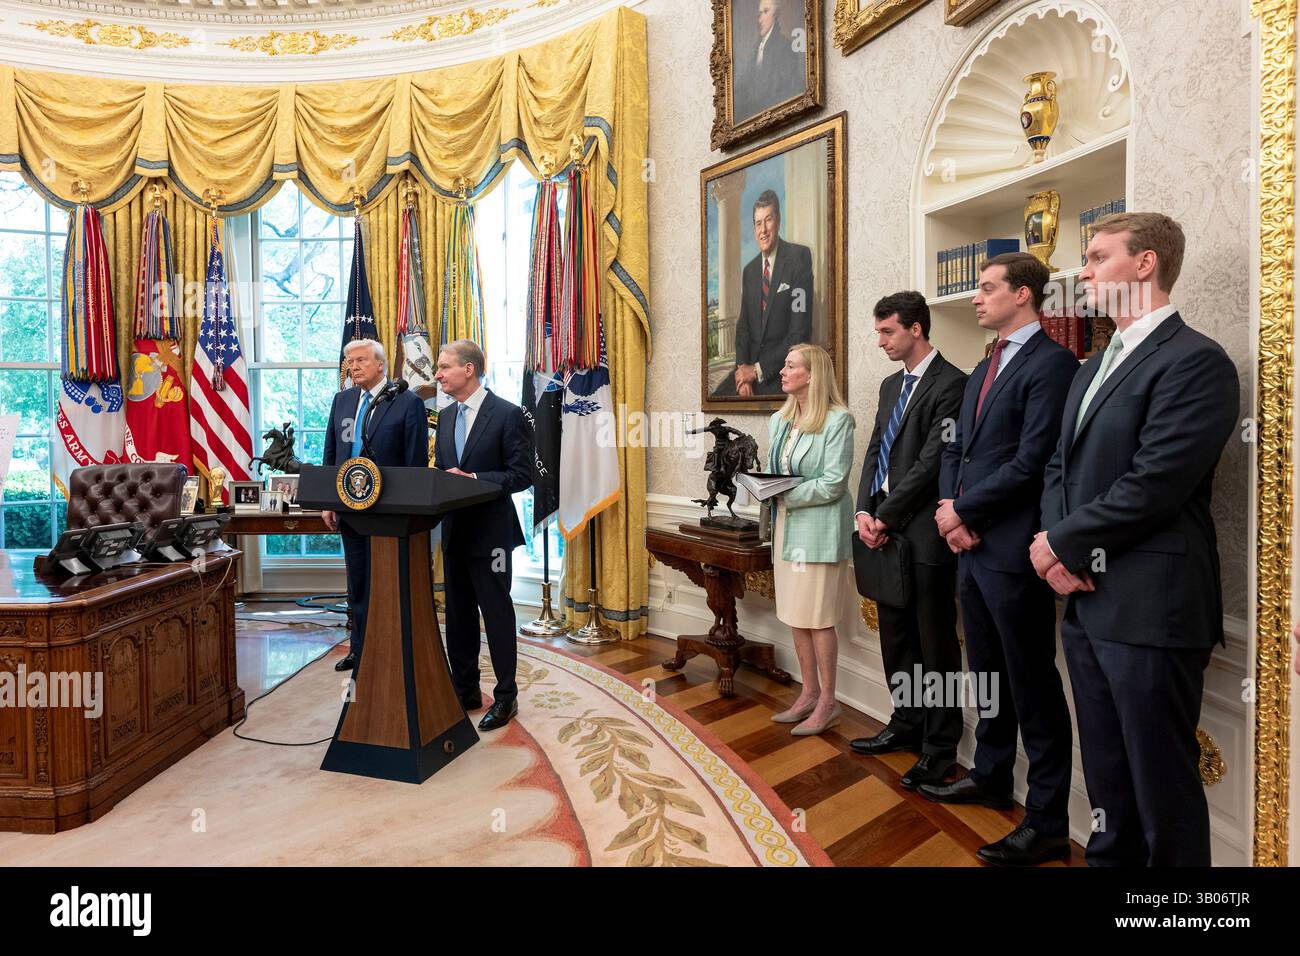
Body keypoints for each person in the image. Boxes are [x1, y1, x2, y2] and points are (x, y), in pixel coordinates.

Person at [1034, 213, 1239, 866]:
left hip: (1153, 608)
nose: (1083, 271)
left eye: (1098, 257)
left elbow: (1155, 484)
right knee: (1107, 780)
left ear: (1145, 263)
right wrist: (1056, 549)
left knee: (1162, 791)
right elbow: (1058, 466)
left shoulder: (1195, 361)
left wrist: (1058, 543)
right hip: (1085, 602)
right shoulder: (1091, 365)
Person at [921, 252, 1079, 867]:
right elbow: (954, 448)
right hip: (969, 547)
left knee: (1032, 684)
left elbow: (1033, 461)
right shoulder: (986, 363)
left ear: (1023, 294)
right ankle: (990, 776)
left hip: (1012, 553)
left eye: (987, 288)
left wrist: (963, 512)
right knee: (986, 673)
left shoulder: (1053, 363)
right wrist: (948, 510)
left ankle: (1046, 822)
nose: (975, 297)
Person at [851, 292, 968, 790]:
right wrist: (864, 510)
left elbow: (931, 463)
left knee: (934, 643)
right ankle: (906, 722)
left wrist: (887, 515)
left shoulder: (954, 383)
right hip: (882, 531)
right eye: (879, 332)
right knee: (895, 636)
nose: (880, 341)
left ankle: (939, 749)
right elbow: (875, 449)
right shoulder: (889, 386)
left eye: (888, 331)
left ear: (916, 329)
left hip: (923, 535)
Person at [433, 339, 533, 731]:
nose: (438, 374)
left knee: (496, 615)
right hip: (454, 532)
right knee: (458, 617)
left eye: (444, 367)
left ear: (469, 369)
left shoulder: (507, 414)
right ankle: (466, 691)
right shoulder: (444, 417)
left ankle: (506, 697)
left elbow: (521, 475)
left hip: (492, 536)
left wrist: (473, 478)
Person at [322, 338, 428, 672]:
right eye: (350, 362)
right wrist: (328, 501)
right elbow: (332, 453)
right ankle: (360, 650)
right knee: (358, 584)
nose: (353, 367)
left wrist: (408, 511)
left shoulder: (406, 402)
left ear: (381, 365)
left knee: (389, 584)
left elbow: (415, 463)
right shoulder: (342, 400)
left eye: (361, 360)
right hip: (349, 509)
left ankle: (392, 650)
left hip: (389, 513)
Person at [765, 343, 855, 735]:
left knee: (818, 618)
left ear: (812, 375)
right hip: (785, 528)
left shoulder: (838, 420)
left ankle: (829, 702)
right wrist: (761, 486)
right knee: (795, 614)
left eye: (790, 366)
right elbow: (775, 473)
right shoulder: (779, 420)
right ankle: (808, 693)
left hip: (819, 531)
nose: (782, 372)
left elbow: (834, 483)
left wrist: (785, 494)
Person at [721, 190, 814, 398]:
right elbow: (743, 328)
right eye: (758, 223)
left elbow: (799, 334)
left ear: (778, 220)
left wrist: (757, 370)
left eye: (768, 220)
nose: (763, 230)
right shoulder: (750, 271)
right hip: (748, 372)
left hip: (780, 372)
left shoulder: (798, 259)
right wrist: (743, 371)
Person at [733, 0, 805, 123]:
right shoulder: (757, 49)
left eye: (766, 12)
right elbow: (744, 84)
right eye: (760, 13)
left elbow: (787, 91)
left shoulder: (784, 47)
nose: (760, 19)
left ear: (775, 14)